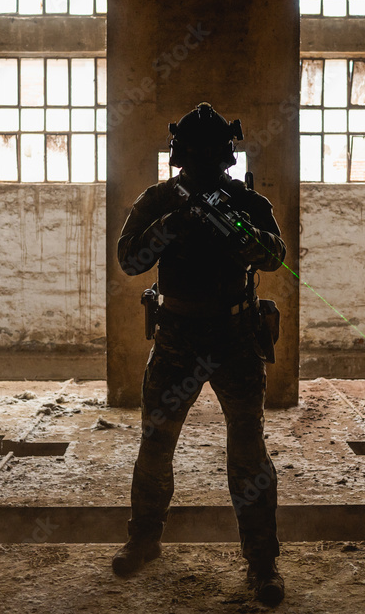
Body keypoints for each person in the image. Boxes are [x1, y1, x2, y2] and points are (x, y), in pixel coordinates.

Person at [112, 102, 287, 606]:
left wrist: (239, 234)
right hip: (176, 339)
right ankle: (143, 539)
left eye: (214, 156)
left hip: (234, 337)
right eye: (197, 156)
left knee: (248, 453)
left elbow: (275, 257)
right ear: (181, 156)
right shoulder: (159, 200)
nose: (206, 164)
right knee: (156, 446)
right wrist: (176, 224)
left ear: (226, 157)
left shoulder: (245, 201)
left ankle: (261, 561)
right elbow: (130, 261)